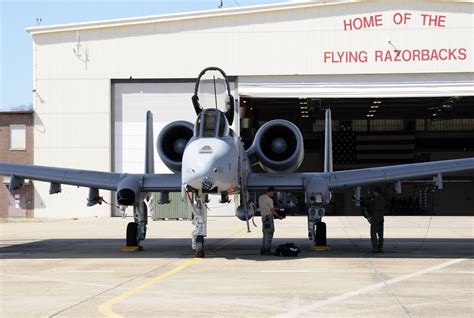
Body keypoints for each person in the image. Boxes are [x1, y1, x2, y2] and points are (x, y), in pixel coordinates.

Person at [258, 187, 284, 255]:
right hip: (268, 217)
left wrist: (274, 208)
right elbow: (272, 211)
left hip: (263, 217)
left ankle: (263, 249)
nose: (274, 195)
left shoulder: (261, 197)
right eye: (273, 193)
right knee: (269, 233)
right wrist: (279, 216)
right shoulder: (269, 199)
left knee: (265, 234)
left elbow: (267, 207)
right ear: (270, 192)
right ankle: (267, 250)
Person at [367, 187, 386, 253]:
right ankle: (380, 247)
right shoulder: (383, 199)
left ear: (376, 192)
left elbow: (368, 203)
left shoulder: (375, 199)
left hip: (375, 217)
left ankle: (375, 248)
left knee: (373, 233)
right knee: (381, 234)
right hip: (381, 217)